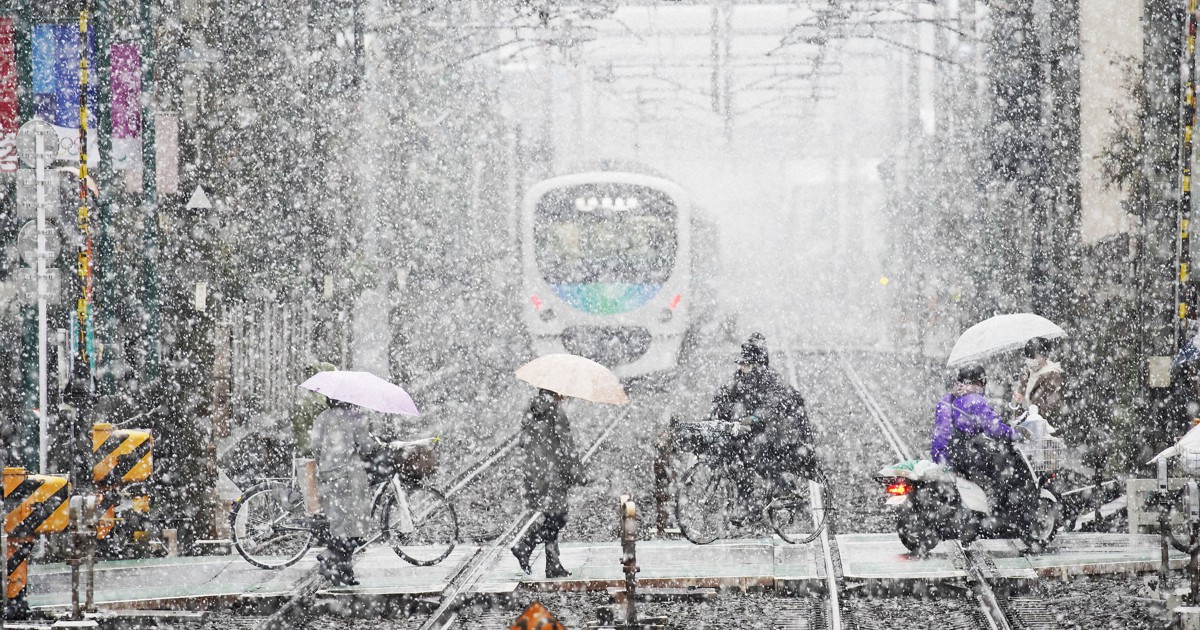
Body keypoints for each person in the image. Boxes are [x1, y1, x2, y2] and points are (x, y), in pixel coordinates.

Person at [709, 333, 818, 523]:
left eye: (747, 364)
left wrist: (754, 417)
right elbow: (725, 395)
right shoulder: (742, 378)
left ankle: (786, 493)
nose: (742, 367)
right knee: (739, 457)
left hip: (786, 428)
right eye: (741, 364)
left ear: (758, 365)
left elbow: (772, 407)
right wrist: (714, 417)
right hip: (764, 427)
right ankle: (748, 504)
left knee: (761, 457)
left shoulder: (771, 379)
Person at [931, 364, 1033, 526]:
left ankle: (979, 502)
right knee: (1005, 467)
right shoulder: (975, 400)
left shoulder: (945, 401)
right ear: (979, 382)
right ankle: (997, 509)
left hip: (942, 454)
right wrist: (1016, 435)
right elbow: (994, 428)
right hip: (962, 452)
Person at [511, 388, 583, 578]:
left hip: (534, 473)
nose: (565, 395)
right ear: (556, 391)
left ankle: (553, 564)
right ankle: (525, 545)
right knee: (559, 517)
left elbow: (522, 441)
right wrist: (577, 472)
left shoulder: (532, 409)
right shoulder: (556, 412)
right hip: (553, 473)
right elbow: (567, 445)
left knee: (551, 516)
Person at [310, 398, 382, 586]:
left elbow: (315, 447)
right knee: (355, 526)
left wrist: (324, 463)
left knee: (338, 525)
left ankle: (342, 569)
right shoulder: (355, 417)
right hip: (350, 476)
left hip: (327, 476)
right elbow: (366, 448)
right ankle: (331, 559)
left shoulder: (322, 417)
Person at [1012, 338, 1065, 431]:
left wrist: (1027, 406)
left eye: (1034, 357)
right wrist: (1019, 402)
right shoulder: (1027, 374)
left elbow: (1051, 409)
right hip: (1025, 433)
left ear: (1044, 356)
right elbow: (1020, 408)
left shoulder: (1053, 376)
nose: (1031, 360)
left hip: (1044, 435)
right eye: (1029, 357)